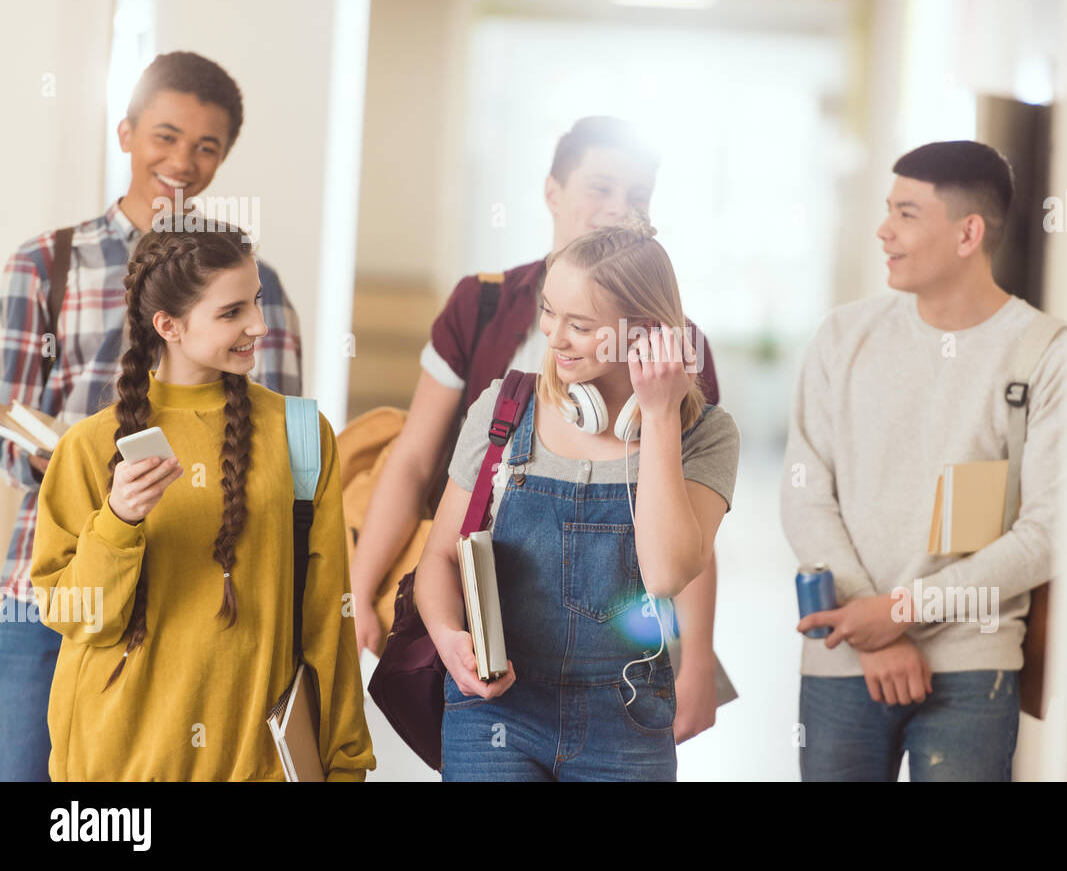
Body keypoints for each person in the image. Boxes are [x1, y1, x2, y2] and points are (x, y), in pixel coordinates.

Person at [350, 116, 727, 743]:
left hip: (616, 648)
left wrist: (699, 657)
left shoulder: (677, 348)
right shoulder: (484, 304)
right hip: (488, 622)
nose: (618, 209)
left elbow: (691, 520)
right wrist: (362, 589)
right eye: (600, 188)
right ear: (552, 192)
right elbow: (415, 458)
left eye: (637, 196)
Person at [0, 51, 302, 781]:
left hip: (196, 601)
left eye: (207, 146)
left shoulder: (255, 286)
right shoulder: (46, 264)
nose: (183, 161)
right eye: (166, 136)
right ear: (126, 132)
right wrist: (104, 481)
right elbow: (10, 427)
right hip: (51, 594)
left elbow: (286, 454)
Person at [29, 225, 373, 781]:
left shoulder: (302, 434)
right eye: (231, 311)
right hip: (118, 764)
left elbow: (328, 616)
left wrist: (346, 760)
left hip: (255, 760)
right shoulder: (89, 447)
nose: (259, 326)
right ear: (168, 325)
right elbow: (76, 617)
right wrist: (118, 522)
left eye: (256, 302)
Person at [782, 140, 1067, 781]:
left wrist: (901, 613)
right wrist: (870, 627)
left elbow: (1049, 533)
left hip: (972, 668)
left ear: (969, 232)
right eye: (888, 209)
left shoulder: (1045, 353)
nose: (884, 230)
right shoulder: (843, 336)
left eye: (907, 214)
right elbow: (805, 492)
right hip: (842, 657)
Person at [415, 219, 740, 781]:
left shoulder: (704, 435)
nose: (554, 336)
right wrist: (449, 639)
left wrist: (659, 416)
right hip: (496, 710)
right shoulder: (502, 409)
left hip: (629, 721)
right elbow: (439, 557)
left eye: (581, 324)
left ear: (645, 332)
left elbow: (665, 574)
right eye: (549, 311)